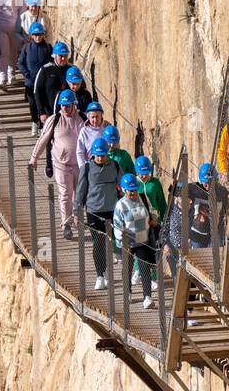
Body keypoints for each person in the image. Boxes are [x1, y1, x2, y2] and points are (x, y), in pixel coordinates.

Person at [29, 88, 84, 240]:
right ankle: (66, 224)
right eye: (62, 105)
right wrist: (34, 158)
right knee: (65, 194)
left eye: (67, 105)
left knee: (79, 195)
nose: (64, 108)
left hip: (79, 164)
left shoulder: (82, 119)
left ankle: (78, 220)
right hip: (61, 164)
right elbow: (43, 139)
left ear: (74, 104)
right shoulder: (55, 119)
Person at [74, 139, 120, 290]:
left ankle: (132, 273)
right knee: (98, 243)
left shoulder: (115, 166)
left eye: (103, 155)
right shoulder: (86, 168)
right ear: (93, 154)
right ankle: (100, 275)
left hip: (113, 210)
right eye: (98, 155)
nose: (101, 158)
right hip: (94, 211)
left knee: (119, 240)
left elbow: (124, 185)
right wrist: (76, 212)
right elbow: (80, 191)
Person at [113, 173, 155, 307]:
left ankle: (147, 297)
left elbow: (151, 211)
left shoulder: (142, 198)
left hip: (142, 239)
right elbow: (118, 226)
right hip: (128, 242)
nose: (133, 193)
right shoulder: (120, 205)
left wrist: (154, 219)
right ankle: (128, 292)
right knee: (127, 268)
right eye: (130, 191)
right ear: (124, 190)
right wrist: (124, 243)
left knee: (144, 268)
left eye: (135, 190)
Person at [133, 156, 166, 290]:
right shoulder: (134, 183)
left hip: (155, 220)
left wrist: (164, 220)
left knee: (154, 248)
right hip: (139, 220)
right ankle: (138, 270)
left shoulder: (155, 183)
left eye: (146, 173)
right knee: (140, 246)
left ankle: (153, 277)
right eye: (141, 172)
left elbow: (162, 203)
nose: (144, 175)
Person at [32, 40, 71, 126]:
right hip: (49, 114)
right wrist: (41, 112)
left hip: (68, 114)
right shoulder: (45, 70)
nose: (63, 58)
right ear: (54, 56)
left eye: (65, 56)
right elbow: (37, 91)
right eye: (61, 56)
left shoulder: (71, 70)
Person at [74, 101, 111, 170]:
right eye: (92, 117)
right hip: (90, 166)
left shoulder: (106, 128)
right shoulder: (84, 131)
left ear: (101, 116)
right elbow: (79, 152)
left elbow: (113, 144)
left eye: (97, 117)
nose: (95, 120)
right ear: (88, 117)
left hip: (107, 164)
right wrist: (83, 168)